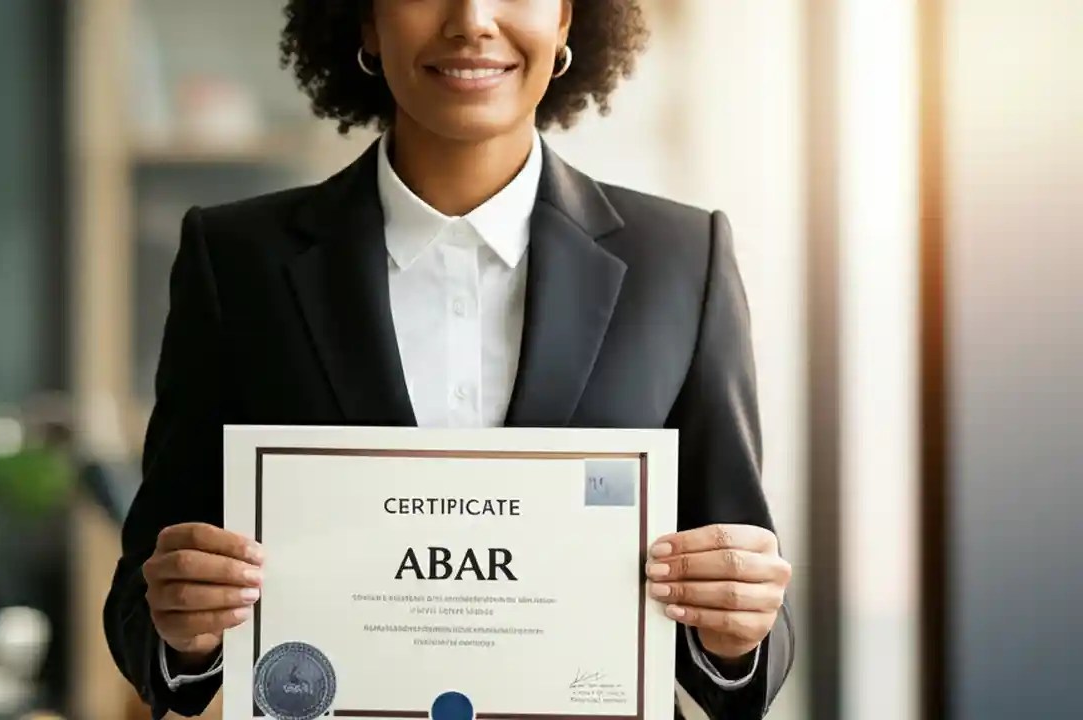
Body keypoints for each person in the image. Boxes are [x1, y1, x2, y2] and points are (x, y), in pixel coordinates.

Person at [104, 1, 795, 718]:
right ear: (366, 21)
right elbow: (142, 613)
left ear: (565, 19)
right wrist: (183, 627)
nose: (472, 20)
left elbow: (750, 637)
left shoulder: (683, 261)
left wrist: (736, 633)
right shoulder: (238, 261)